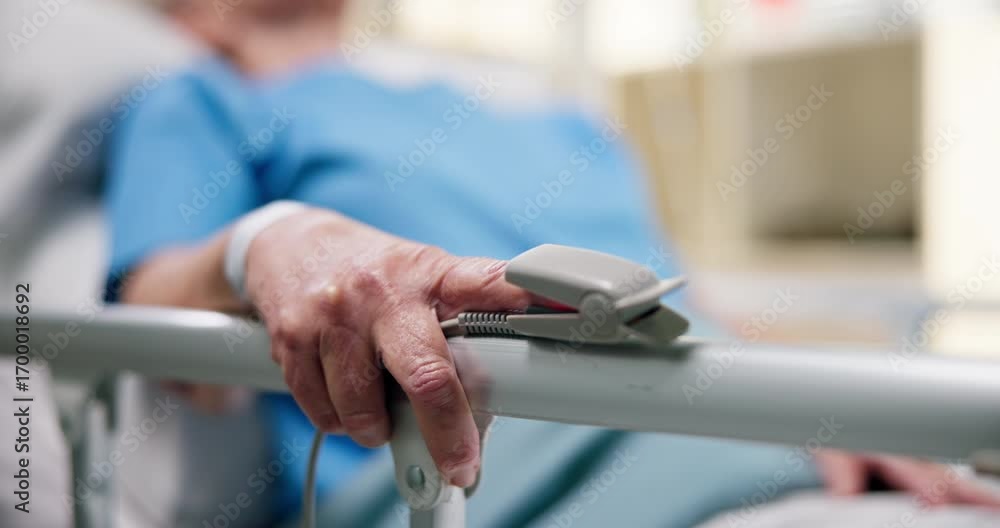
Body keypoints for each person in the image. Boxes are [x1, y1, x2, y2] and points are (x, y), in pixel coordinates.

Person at [103, 0, 1000, 526]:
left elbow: (684, 305)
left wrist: (828, 395)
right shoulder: (197, 101)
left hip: (768, 438)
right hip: (492, 475)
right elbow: (155, 311)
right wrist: (276, 241)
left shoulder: (554, 121)